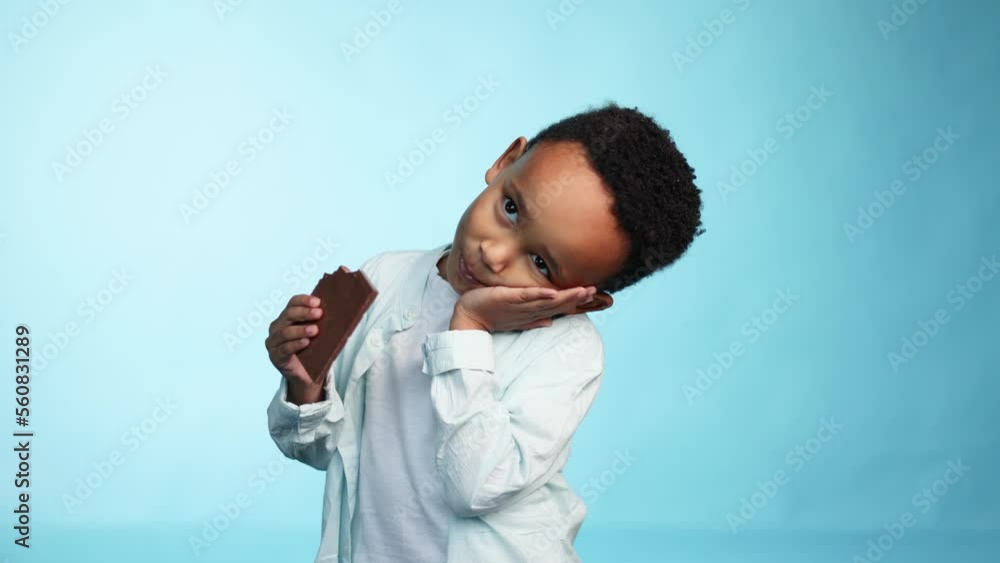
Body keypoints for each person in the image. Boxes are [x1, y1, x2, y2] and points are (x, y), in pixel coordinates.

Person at [265, 102, 705, 562]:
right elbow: (316, 451)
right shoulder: (384, 279)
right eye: (511, 208)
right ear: (505, 161)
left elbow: (474, 487)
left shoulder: (568, 350)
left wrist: (469, 328)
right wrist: (304, 384)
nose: (494, 254)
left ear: (583, 299)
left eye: (540, 264)